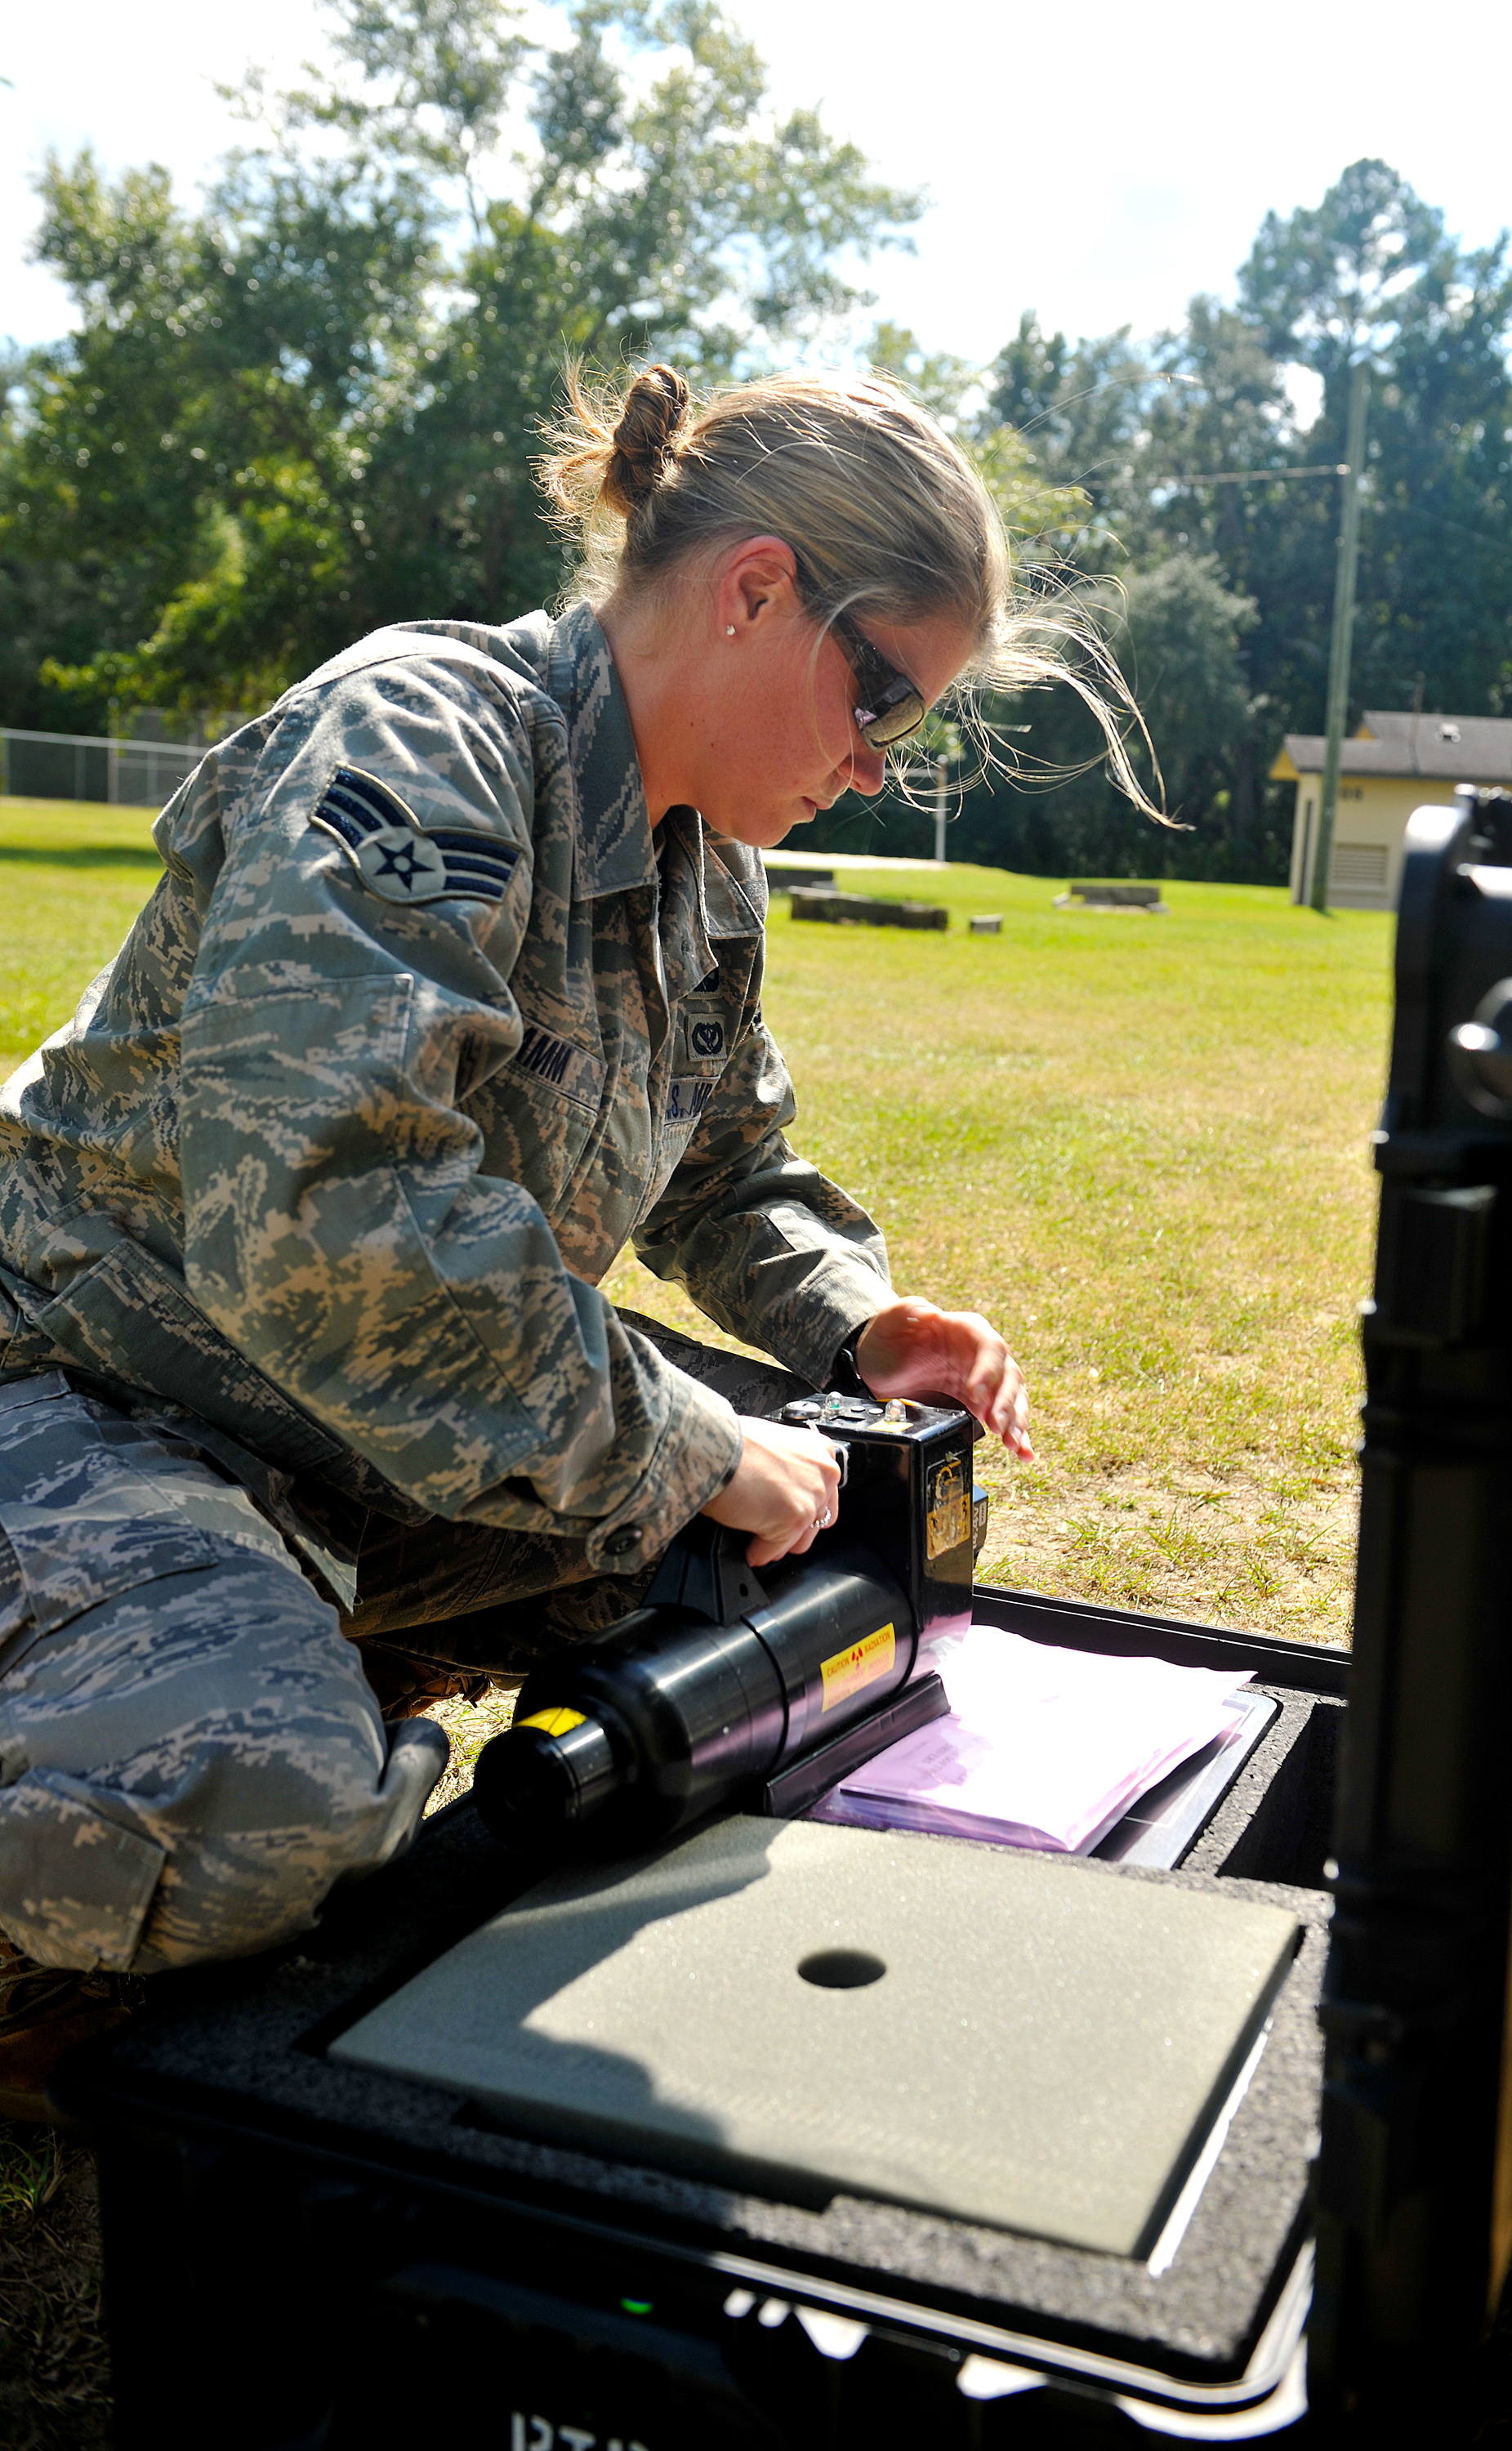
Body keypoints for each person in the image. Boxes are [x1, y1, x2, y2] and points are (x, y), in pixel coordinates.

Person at [0, 360, 1055, 2108]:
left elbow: (727, 1173)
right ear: (750, 589)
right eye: (880, 702)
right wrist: (684, 1441)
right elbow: (329, 1229)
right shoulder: (422, 744)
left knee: (813, 1576)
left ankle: (315, 1640)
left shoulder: (705, 872)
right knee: (259, 1795)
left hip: (347, 1449)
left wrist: (857, 1326)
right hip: (93, 1396)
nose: (874, 770)